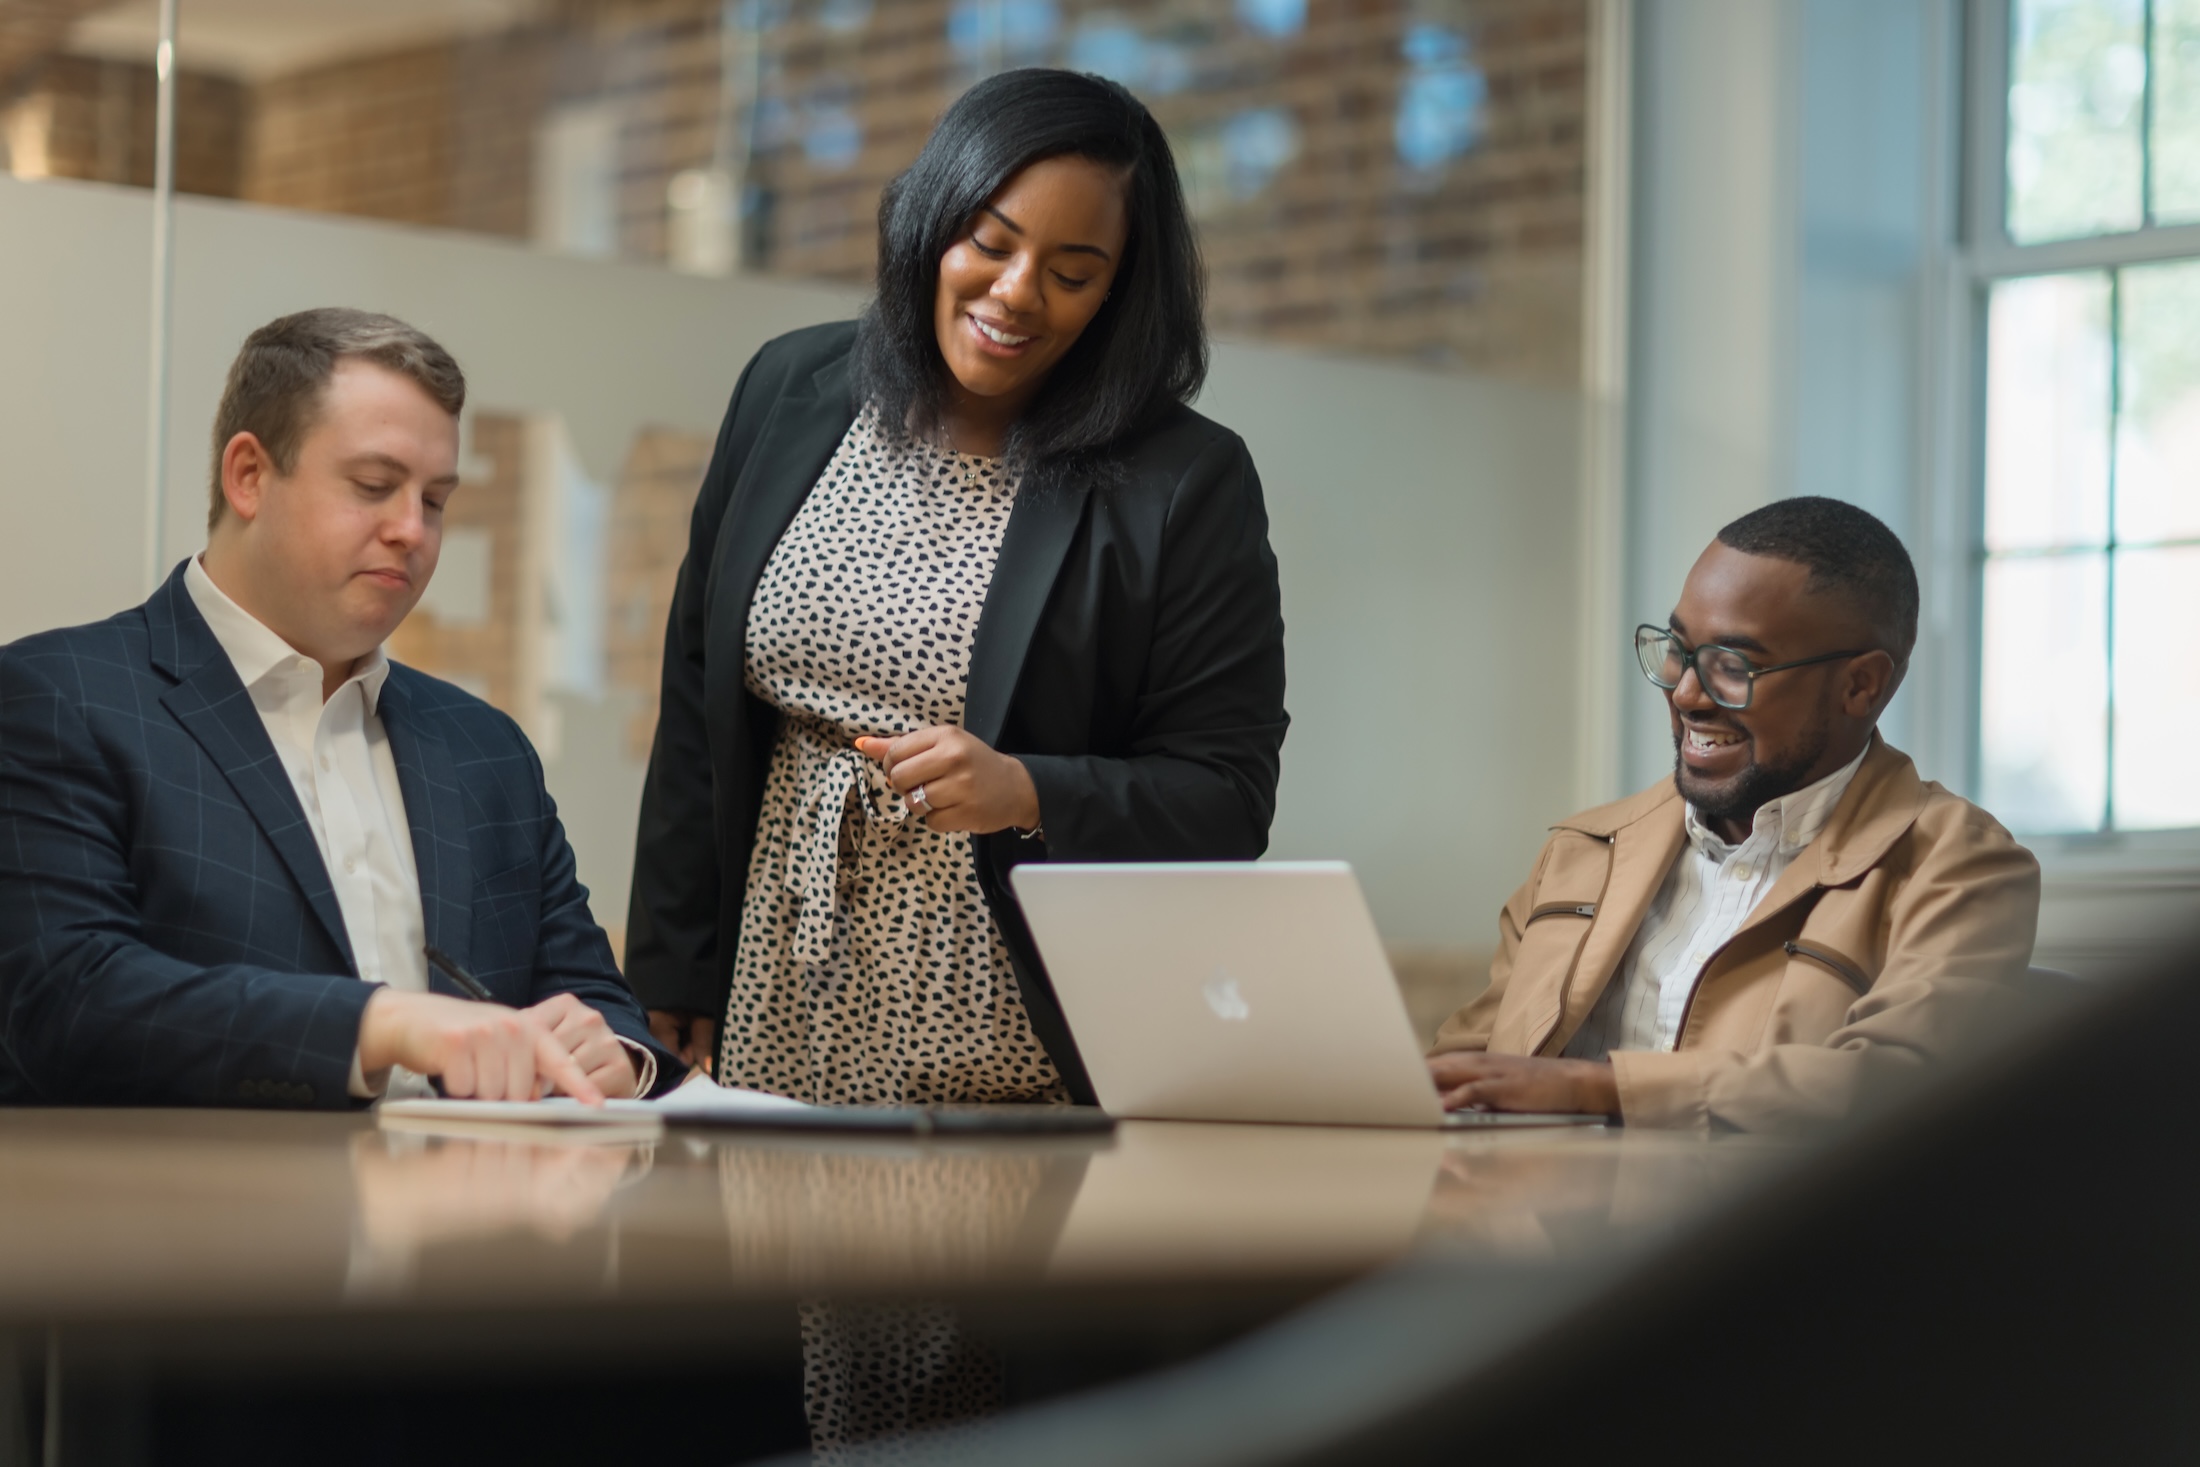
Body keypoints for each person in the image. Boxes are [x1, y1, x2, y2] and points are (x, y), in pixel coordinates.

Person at [627, 68, 1289, 1108]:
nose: (1017, 292)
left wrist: (1029, 790)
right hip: (770, 981)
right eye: (989, 241)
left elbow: (1224, 797)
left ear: (1120, 289)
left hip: (1001, 1013)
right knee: (759, 1265)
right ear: (929, 222)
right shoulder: (788, 389)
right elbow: (698, 687)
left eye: (1073, 271)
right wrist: (673, 956)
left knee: (952, 1269)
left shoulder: (1182, 480)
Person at [0, 308, 678, 1107]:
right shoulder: (60, 697)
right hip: (197, 1218)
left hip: (481, 1219)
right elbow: (65, 1000)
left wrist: (615, 1058)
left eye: (435, 499)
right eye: (374, 486)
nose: (411, 531)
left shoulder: (486, 749)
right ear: (248, 475)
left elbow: (599, 1002)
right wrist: (381, 1026)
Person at [1427, 497, 2040, 1132]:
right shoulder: (1583, 852)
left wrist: (1600, 1088)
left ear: (1861, 685)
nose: (1687, 694)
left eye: (1734, 666)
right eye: (1679, 651)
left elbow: (1900, 1084)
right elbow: (1465, 1068)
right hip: (1517, 1215)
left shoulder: (1962, 868)